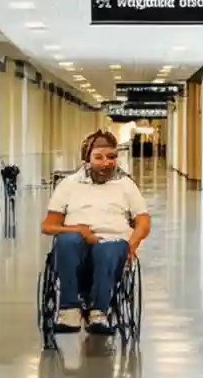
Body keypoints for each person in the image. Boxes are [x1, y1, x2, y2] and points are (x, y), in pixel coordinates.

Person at [42, 130, 151, 334]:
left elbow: (143, 221)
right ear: (87, 159)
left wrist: (132, 244)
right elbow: (48, 226)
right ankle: (69, 310)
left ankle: (99, 312)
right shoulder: (69, 185)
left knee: (107, 250)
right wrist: (79, 231)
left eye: (111, 157)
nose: (106, 163)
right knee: (67, 241)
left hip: (114, 242)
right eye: (98, 157)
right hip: (77, 244)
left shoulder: (126, 185)